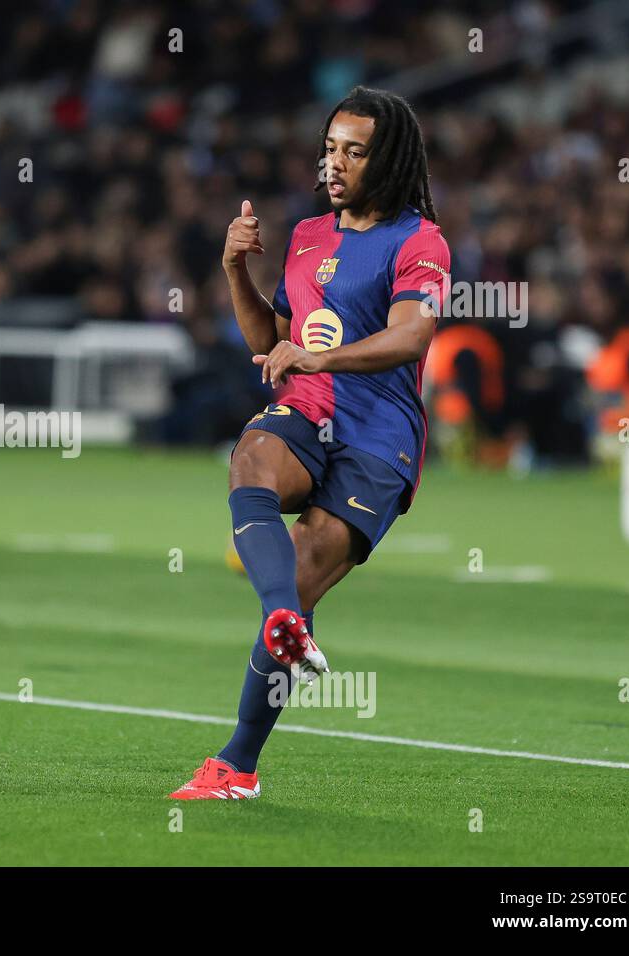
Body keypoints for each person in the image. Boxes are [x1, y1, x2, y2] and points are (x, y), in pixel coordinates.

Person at [169, 87, 450, 799]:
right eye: (330, 147)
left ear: (385, 160)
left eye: (354, 152)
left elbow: (414, 333)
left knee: (298, 572)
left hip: (379, 436)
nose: (335, 163)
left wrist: (318, 356)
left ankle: (236, 766)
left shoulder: (420, 241)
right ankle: (283, 622)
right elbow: (271, 344)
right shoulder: (307, 235)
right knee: (251, 461)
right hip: (308, 404)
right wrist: (236, 270)